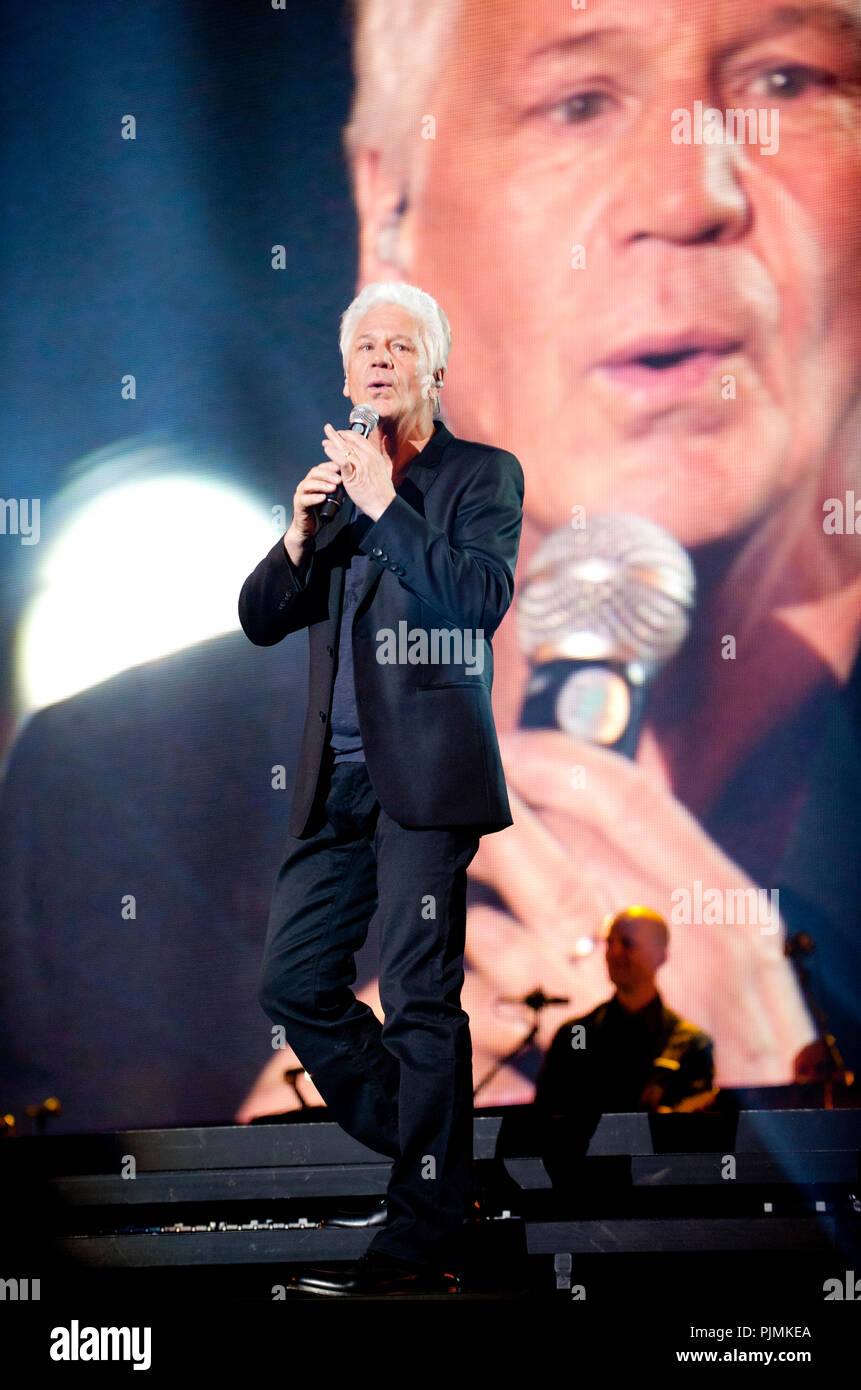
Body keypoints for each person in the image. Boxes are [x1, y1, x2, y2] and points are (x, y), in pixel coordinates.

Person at [238, 282, 523, 1296]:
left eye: (401, 345)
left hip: (428, 782)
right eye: (365, 345)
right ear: (346, 369)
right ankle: (440, 1175)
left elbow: (477, 599)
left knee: (415, 994)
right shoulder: (335, 488)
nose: (380, 358)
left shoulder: (477, 475)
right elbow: (261, 618)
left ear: (434, 368)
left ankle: (421, 1235)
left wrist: (381, 505)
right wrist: (300, 536)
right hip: (338, 782)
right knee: (296, 985)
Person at [533, 907, 715, 1197]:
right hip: (577, 1196)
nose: (614, 953)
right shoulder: (573, 1034)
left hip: (658, 1202)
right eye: (610, 942)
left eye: (627, 943)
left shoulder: (691, 1044)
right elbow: (543, 1123)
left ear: (661, 957)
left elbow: (694, 1143)